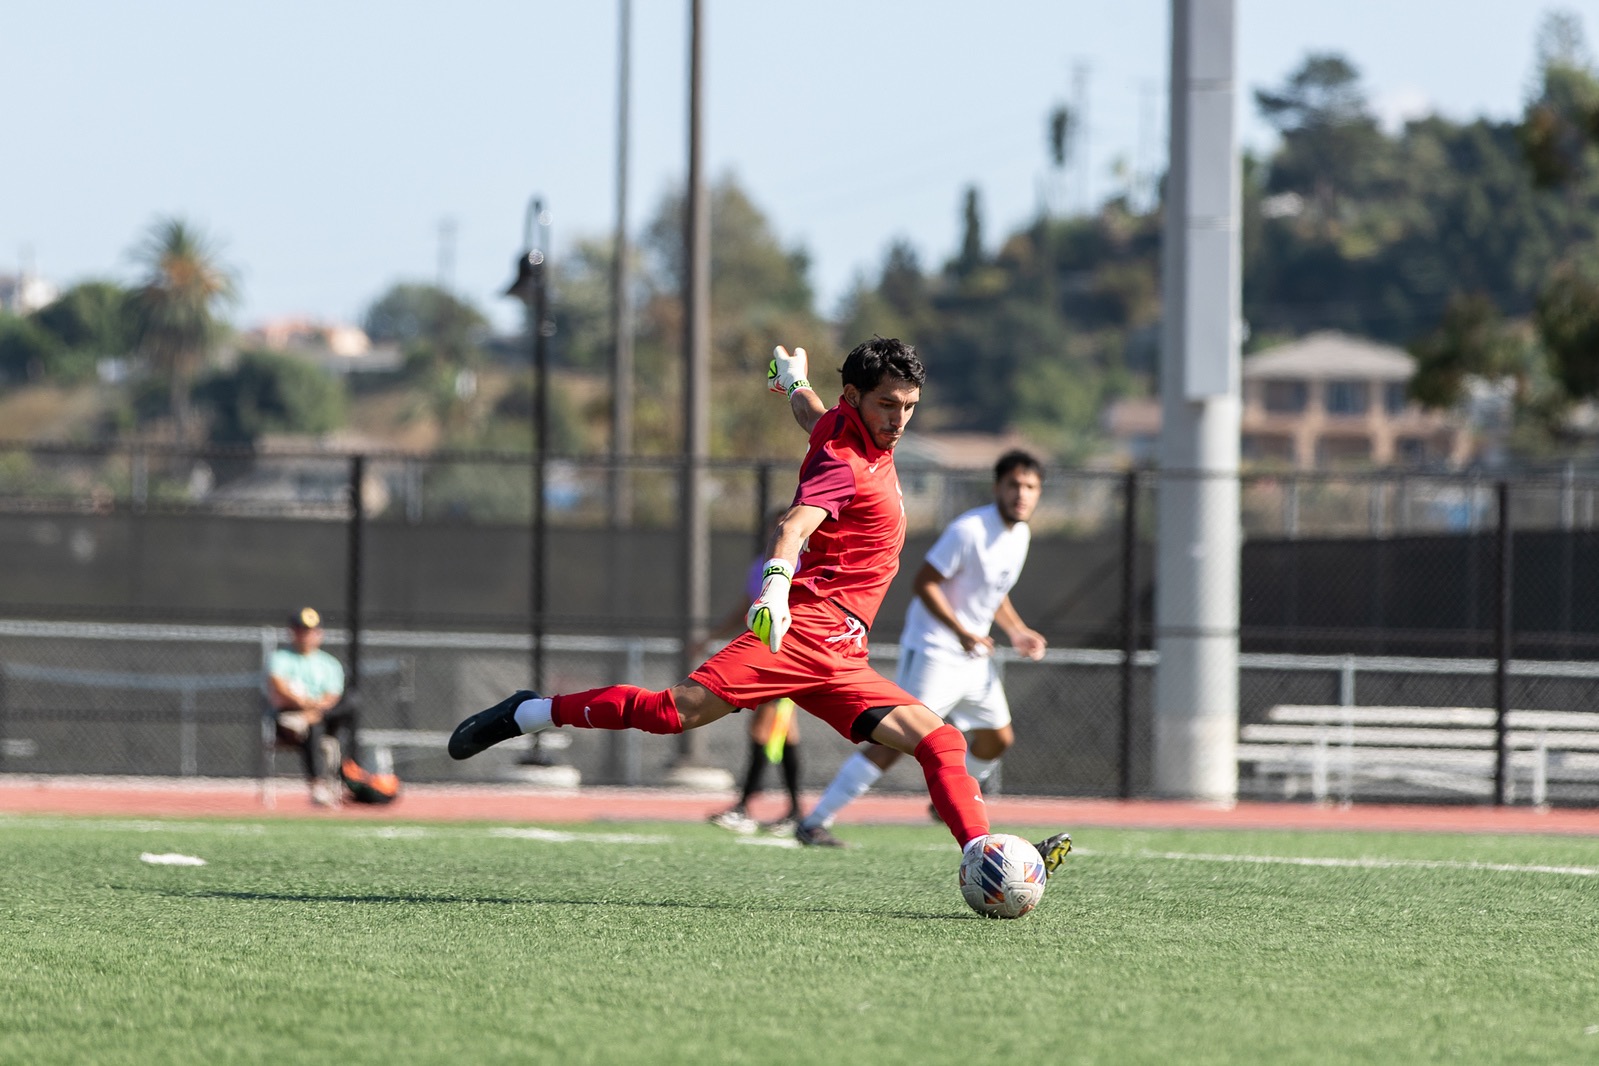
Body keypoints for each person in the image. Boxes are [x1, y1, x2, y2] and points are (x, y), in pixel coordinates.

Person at [448, 338, 1071, 882]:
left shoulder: (841, 426)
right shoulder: (844, 461)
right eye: (888, 404)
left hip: (841, 654)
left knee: (942, 742)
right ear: (855, 397)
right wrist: (774, 588)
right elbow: (795, 525)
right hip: (802, 635)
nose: (899, 419)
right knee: (672, 713)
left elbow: (811, 414)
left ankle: (984, 852)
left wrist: (792, 381)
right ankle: (529, 712)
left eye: (909, 406)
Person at [795, 450, 1048, 847]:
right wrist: (962, 631)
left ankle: (948, 800)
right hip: (935, 652)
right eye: (1014, 485)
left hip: (973, 657)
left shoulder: (1020, 535)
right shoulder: (969, 530)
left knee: (998, 738)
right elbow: (925, 583)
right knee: (896, 742)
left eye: (1031, 487)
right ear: (997, 487)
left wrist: (1016, 631)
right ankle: (814, 821)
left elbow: (993, 590)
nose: (1022, 494)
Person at [704, 522, 805, 836]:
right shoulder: (762, 565)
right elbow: (747, 607)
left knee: (766, 727)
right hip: (765, 654)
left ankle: (746, 806)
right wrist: (713, 636)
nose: (779, 533)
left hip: (784, 655)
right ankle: (793, 811)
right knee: (783, 732)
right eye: (776, 527)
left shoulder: (802, 565)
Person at [267, 607, 350, 807]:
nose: (306, 636)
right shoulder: (281, 658)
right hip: (290, 716)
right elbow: (279, 686)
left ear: (319, 633)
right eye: (301, 630)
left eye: (311, 631)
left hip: (320, 716)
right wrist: (306, 705)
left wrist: (315, 711)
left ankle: (329, 786)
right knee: (311, 728)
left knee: (340, 710)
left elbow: (333, 696)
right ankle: (317, 786)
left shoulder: (329, 664)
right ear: (293, 632)